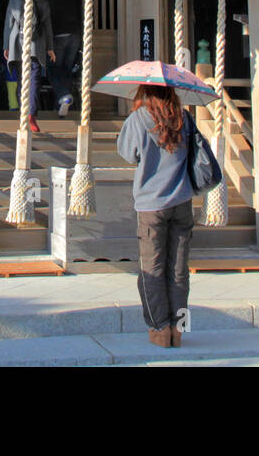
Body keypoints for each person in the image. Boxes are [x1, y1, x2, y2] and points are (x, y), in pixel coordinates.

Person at [117, 84, 194, 349]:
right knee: (179, 270)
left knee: (152, 269)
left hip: (152, 204)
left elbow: (128, 154)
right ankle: (179, 329)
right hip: (182, 199)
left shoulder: (138, 118)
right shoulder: (185, 117)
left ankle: (159, 328)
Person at [2, 0, 55, 132]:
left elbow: (9, 24)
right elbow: (47, 25)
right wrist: (50, 47)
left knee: (21, 79)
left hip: (18, 45)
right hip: (36, 46)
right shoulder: (43, 0)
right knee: (33, 80)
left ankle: (23, 113)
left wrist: (6, 45)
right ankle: (31, 115)